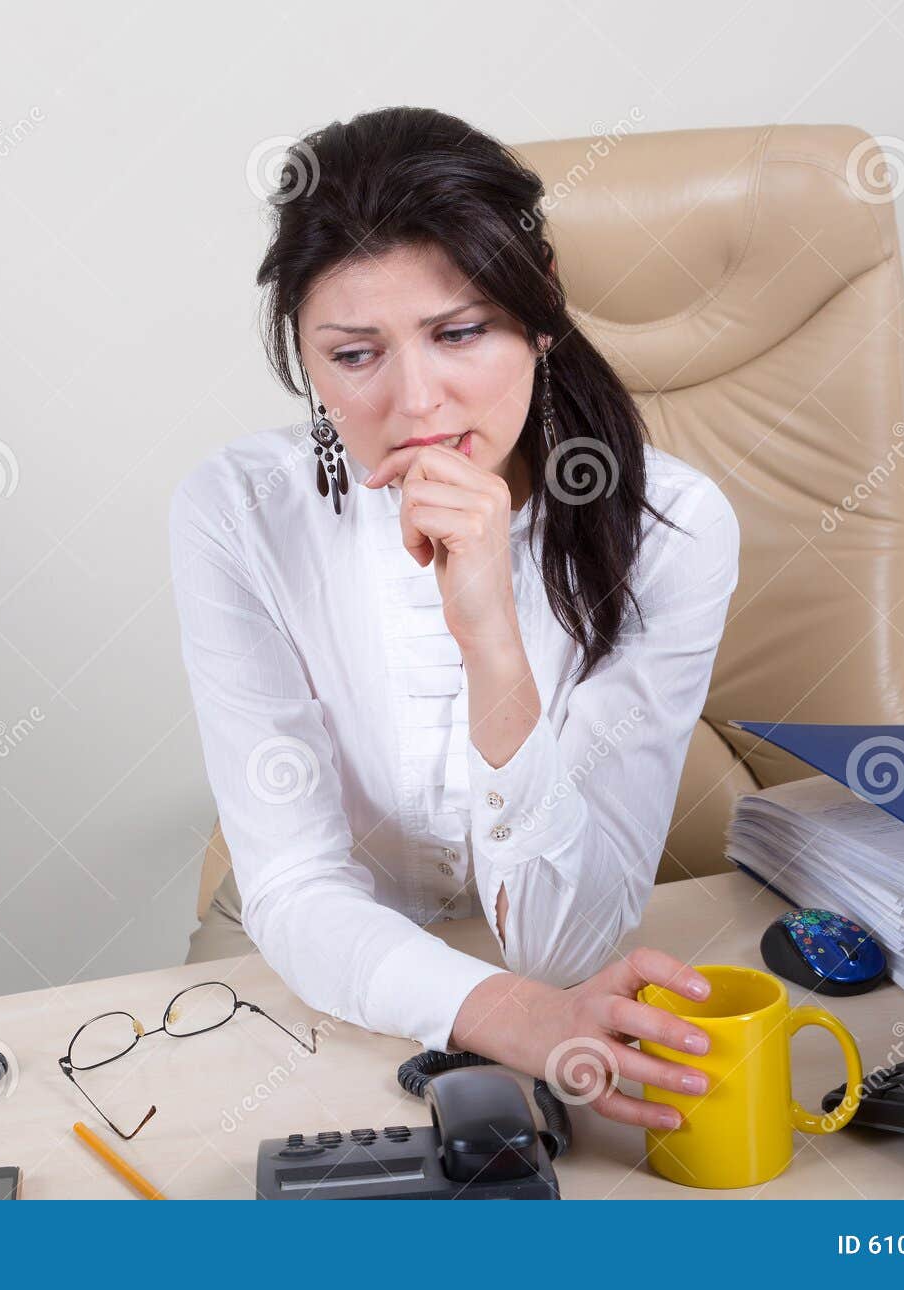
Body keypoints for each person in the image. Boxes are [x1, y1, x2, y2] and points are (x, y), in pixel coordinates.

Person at [170, 107, 740, 1131]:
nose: (416, 401)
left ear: (541, 308)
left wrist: (489, 638)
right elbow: (297, 884)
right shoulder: (238, 511)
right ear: (304, 355)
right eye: (354, 355)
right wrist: (517, 1019)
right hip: (315, 956)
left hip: (554, 962)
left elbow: (562, 948)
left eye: (460, 333)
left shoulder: (674, 526)